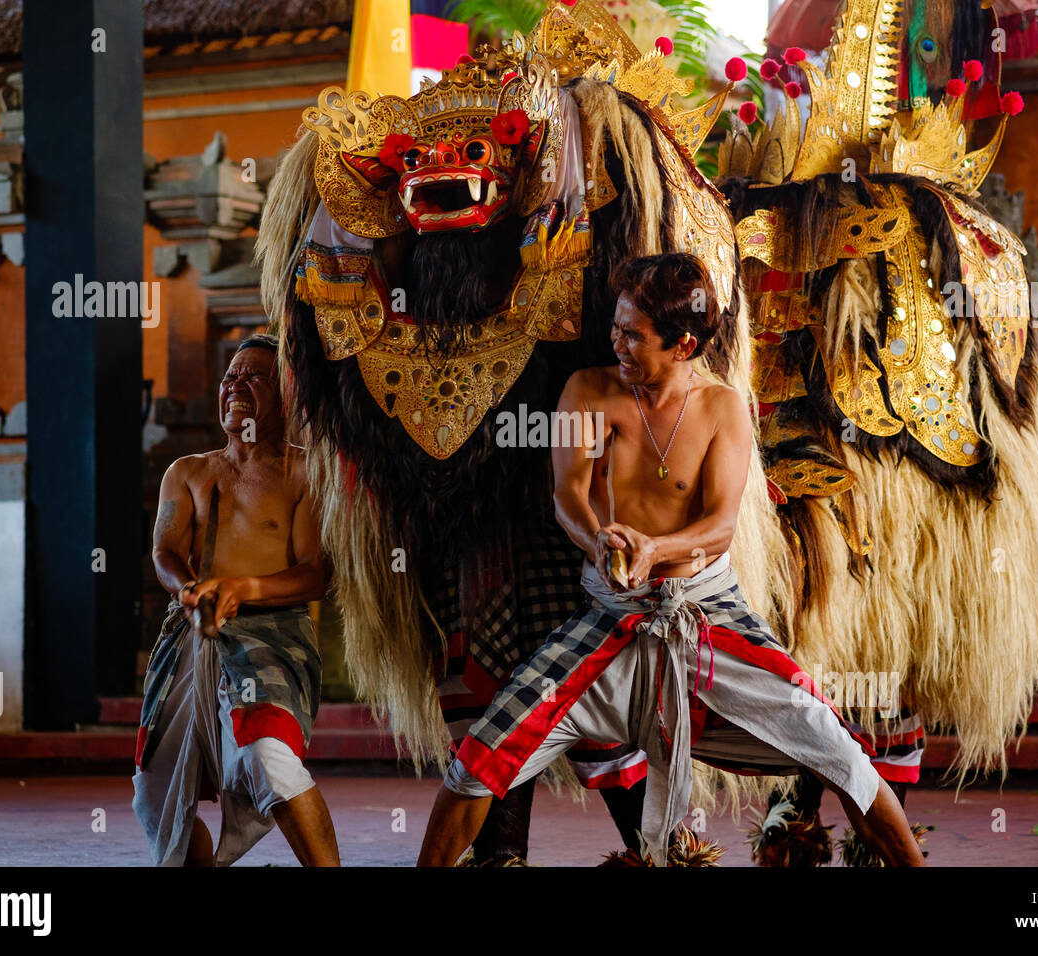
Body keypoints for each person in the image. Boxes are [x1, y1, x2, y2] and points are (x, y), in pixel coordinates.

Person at [416, 254, 927, 866]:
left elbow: (720, 527)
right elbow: (567, 495)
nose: (617, 343)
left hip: (707, 615)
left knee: (843, 756)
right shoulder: (588, 390)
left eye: (633, 336)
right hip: (610, 616)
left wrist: (656, 549)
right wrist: (598, 541)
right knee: (479, 760)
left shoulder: (722, 408)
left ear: (684, 344)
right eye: (615, 328)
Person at [132, 334, 339, 866]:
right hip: (191, 636)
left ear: (287, 396)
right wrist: (189, 590)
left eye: (254, 376)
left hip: (270, 638)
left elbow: (315, 574)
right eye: (230, 376)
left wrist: (243, 589)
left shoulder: (306, 471)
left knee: (270, 759)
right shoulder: (188, 471)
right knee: (155, 792)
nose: (236, 385)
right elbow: (164, 551)